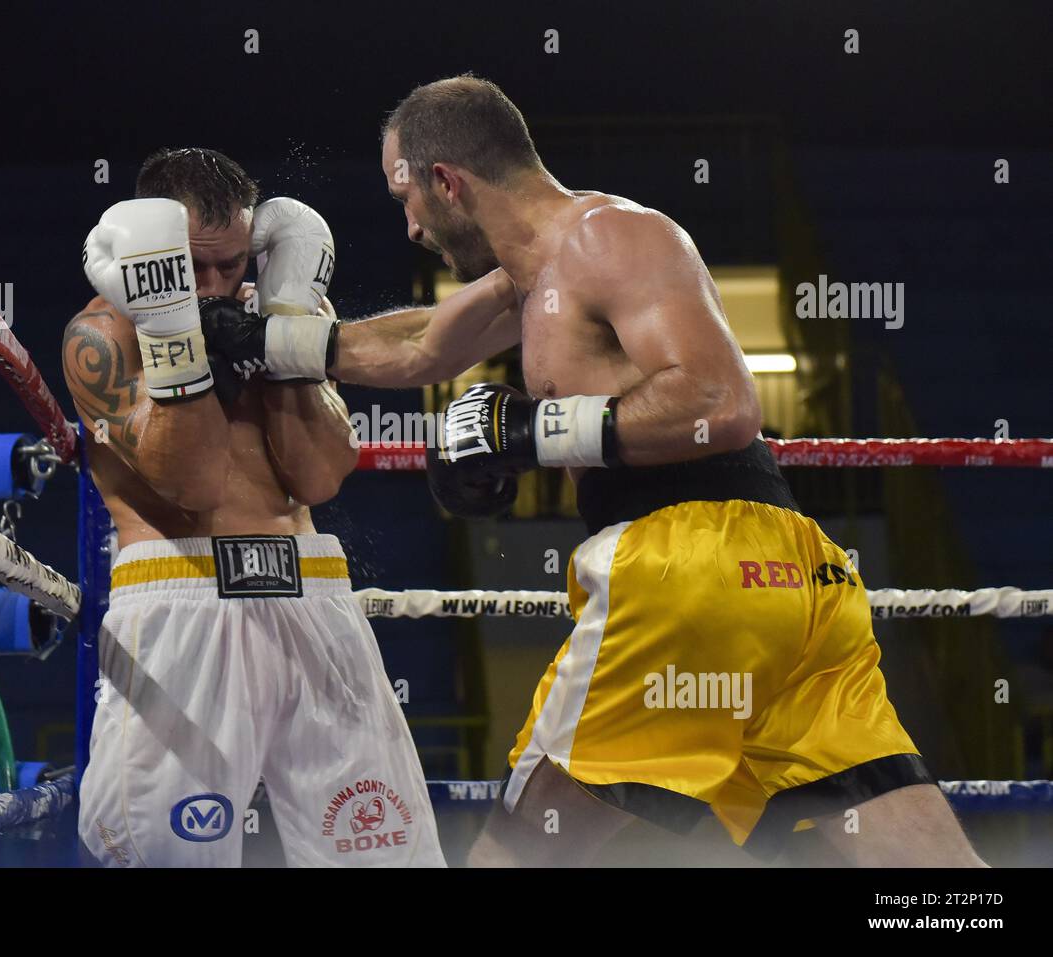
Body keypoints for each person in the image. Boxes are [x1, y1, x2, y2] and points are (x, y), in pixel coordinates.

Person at [201, 79, 986, 867]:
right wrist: (271, 342)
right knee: (922, 865)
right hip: (794, 581)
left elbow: (722, 399)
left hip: (688, 570)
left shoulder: (611, 237)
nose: (409, 227)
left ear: (448, 181)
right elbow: (421, 345)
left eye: (408, 197)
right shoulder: (538, 273)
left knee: (519, 844)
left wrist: (530, 432)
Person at [64, 147, 442, 867]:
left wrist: (281, 340)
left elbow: (322, 474)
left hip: (310, 591)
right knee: (162, 857)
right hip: (182, 600)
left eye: (230, 264)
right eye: (191, 267)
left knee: (383, 852)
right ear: (149, 254)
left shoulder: (277, 308)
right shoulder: (102, 336)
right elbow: (196, 482)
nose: (213, 284)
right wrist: (178, 336)